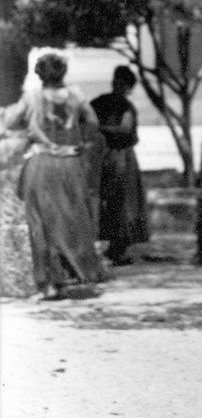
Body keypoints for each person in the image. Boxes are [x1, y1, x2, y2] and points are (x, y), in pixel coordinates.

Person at [0, 49, 104, 299]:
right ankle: (81, 275)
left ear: (39, 73)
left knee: (40, 223)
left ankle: (47, 282)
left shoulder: (32, 97)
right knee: (75, 219)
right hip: (71, 163)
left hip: (43, 164)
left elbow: (11, 122)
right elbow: (93, 124)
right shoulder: (76, 96)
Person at [91, 66, 150, 265]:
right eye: (116, 82)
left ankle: (119, 247)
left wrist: (100, 129)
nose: (118, 86)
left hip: (121, 156)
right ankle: (107, 245)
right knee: (107, 200)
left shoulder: (126, 107)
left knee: (122, 201)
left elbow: (125, 130)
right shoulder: (102, 102)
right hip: (104, 155)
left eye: (122, 84)